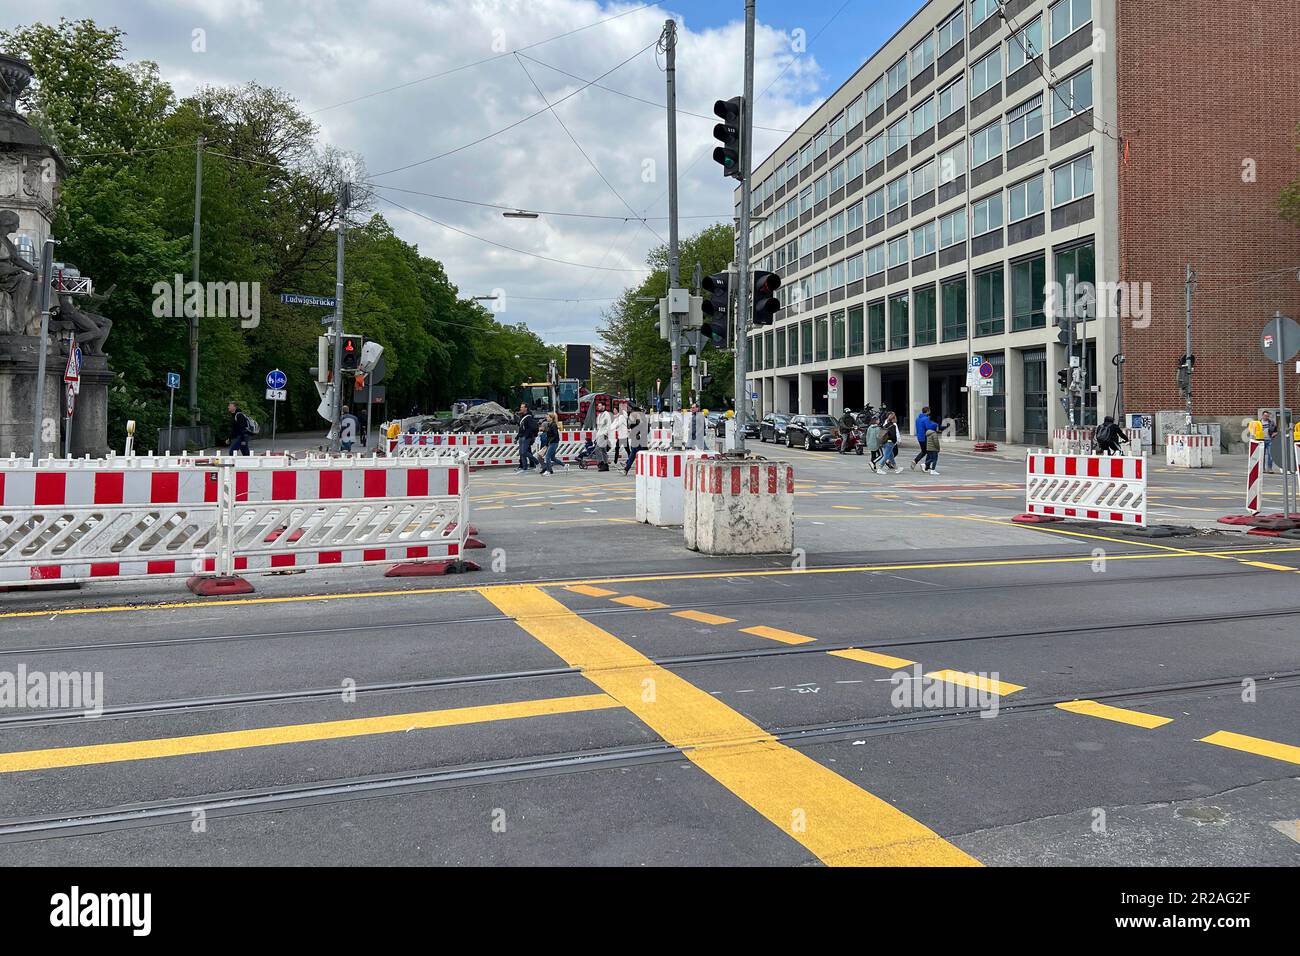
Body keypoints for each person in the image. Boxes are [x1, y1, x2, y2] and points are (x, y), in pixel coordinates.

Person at [911, 406, 941, 470]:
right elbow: (928, 427)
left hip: (919, 437)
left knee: (924, 451)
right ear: (927, 411)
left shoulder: (918, 419)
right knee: (929, 452)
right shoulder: (926, 418)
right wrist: (935, 424)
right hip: (924, 437)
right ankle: (925, 465)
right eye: (929, 410)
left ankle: (917, 461)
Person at [515, 403, 538, 472]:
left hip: (526, 437)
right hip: (522, 436)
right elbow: (521, 429)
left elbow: (530, 428)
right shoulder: (523, 417)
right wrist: (517, 437)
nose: (520, 408)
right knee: (522, 453)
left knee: (524, 452)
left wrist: (526, 435)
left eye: (522, 407)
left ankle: (536, 462)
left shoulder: (529, 417)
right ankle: (524, 467)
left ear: (526, 408)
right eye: (521, 407)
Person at [623, 406, 646, 475]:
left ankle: (626, 469)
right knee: (635, 454)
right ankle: (627, 469)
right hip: (637, 439)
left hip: (638, 439)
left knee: (635, 455)